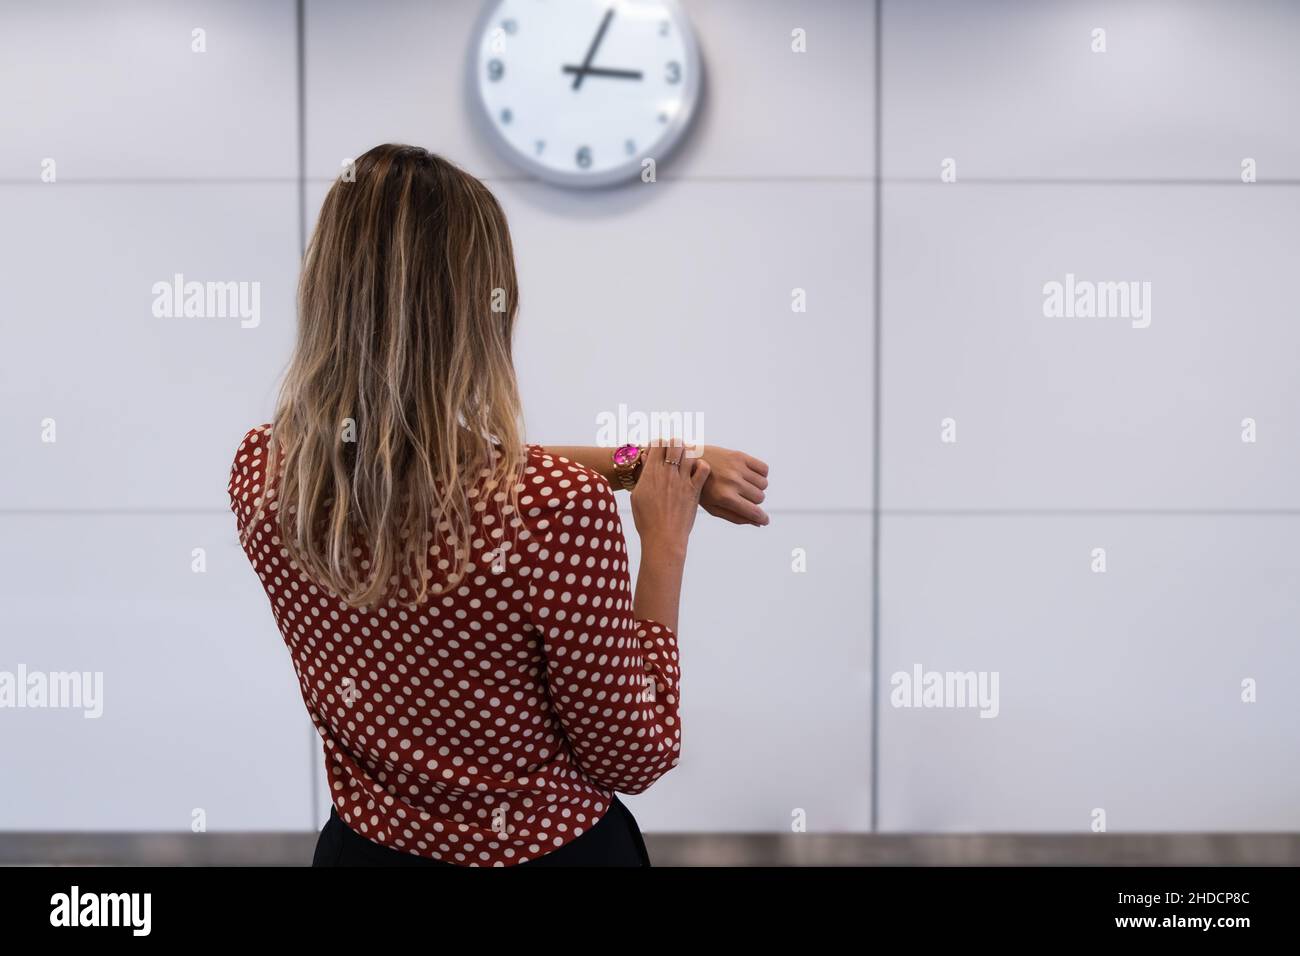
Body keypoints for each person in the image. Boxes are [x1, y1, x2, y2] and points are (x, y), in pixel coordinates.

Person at [228, 144, 769, 866]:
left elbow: (419, 463)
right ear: (482, 305)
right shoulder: (556, 512)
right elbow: (635, 756)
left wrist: (637, 463)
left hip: (364, 850)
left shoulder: (265, 470)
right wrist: (665, 537)